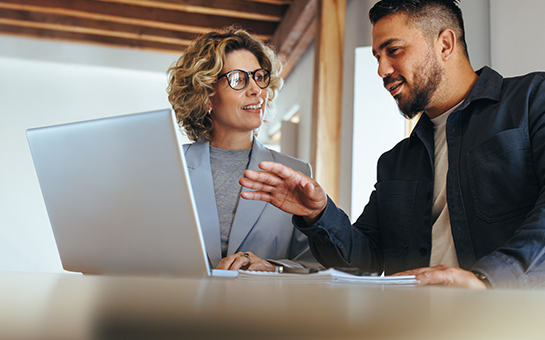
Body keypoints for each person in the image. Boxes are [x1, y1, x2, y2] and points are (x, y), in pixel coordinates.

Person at [239, 0, 545, 289]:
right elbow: (364, 262)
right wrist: (318, 214)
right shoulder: (395, 162)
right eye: (377, 57)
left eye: (394, 50)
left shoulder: (533, 100)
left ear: (445, 44)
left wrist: (486, 279)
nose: (382, 70)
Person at [167, 26, 317, 272]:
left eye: (259, 77)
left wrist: (273, 267)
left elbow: (315, 264)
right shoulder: (169, 167)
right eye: (238, 79)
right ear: (206, 95)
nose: (256, 90)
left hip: (261, 310)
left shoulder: (295, 172)